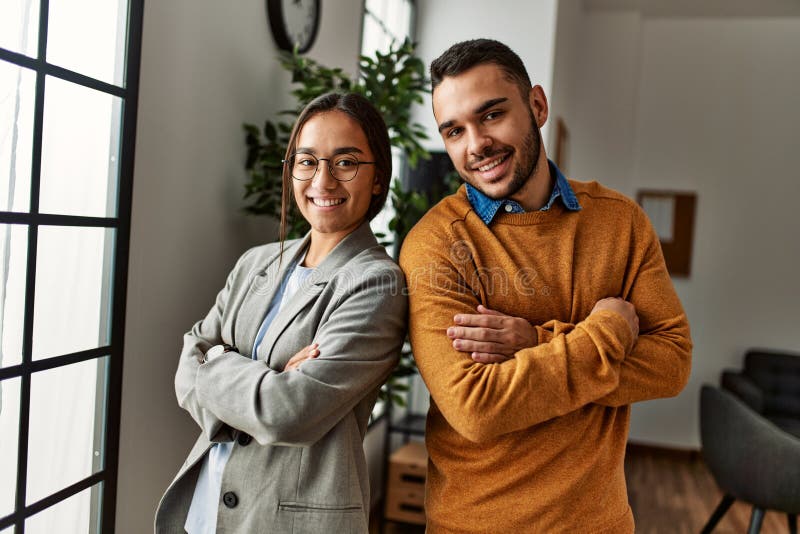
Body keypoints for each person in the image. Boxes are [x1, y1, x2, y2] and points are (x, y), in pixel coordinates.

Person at [399, 39, 692, 533]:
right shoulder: (435, 245)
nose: (476, 145)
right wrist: (605, 331)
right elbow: (478, 407)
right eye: (455, 130)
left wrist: (534, 341)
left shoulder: (621, 223)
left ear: (536, 105)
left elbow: (672, 363)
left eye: (491, 115)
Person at [155, 92, 407, 534]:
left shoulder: (376, 282)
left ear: (378, 179)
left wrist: (215, 361)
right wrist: (262, 379)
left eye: (345, 162)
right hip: (203, 508)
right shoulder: (256, 262)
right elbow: (183, 371)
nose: (322, 181)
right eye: (307, 161)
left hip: (288, 521)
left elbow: (287, 412)